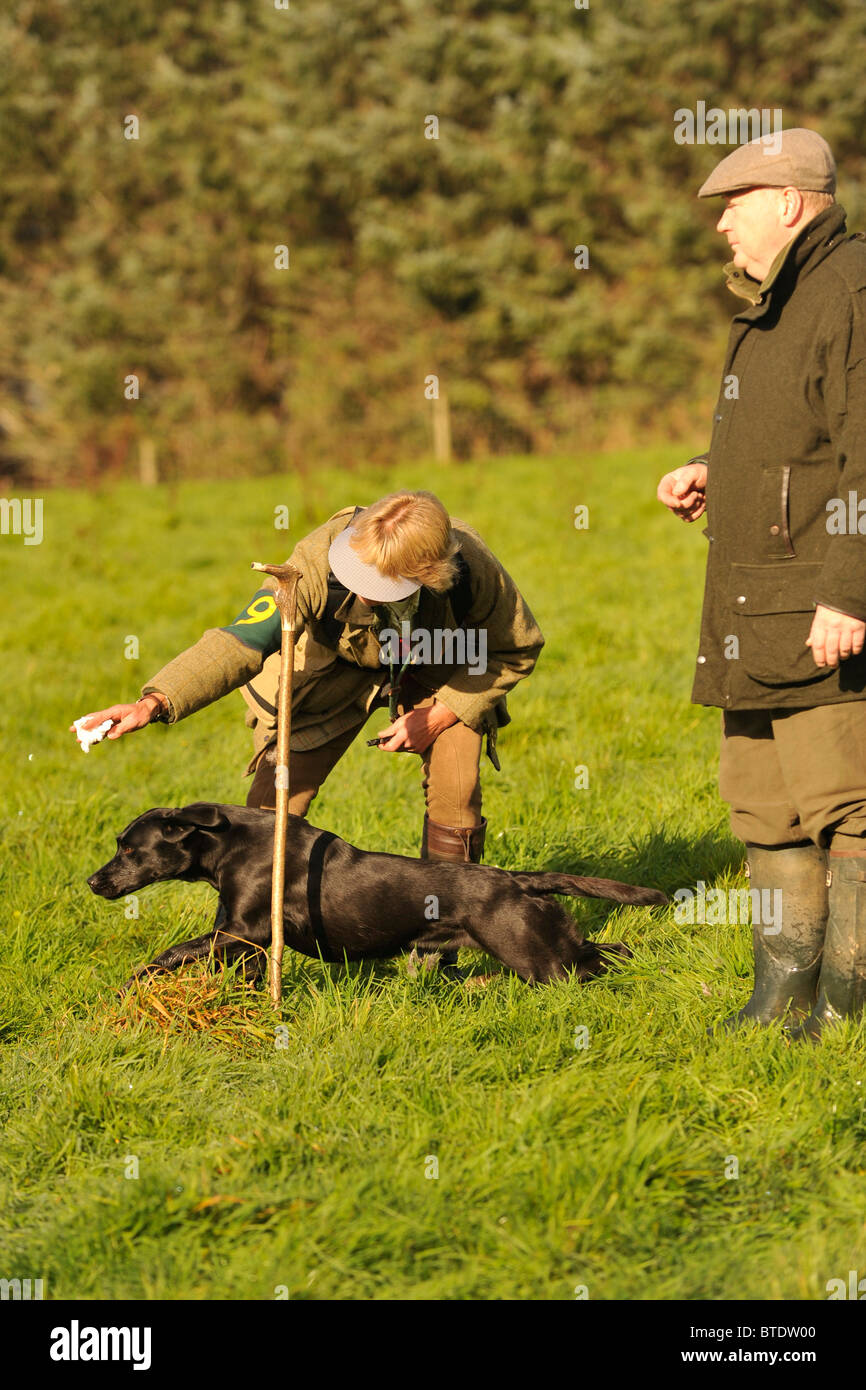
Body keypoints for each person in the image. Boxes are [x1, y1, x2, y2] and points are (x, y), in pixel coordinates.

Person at [74, 490, 544, 977]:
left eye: (378, 585)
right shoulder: (317, 561)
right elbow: (241, 641)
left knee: (457, 790)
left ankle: (438, 950)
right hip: (335, 671)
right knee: (269, 804)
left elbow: (517, 648)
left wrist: (442, 714)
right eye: (358, 576)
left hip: (445, 672)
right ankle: (245, 961)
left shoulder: (474, 571)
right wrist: (153, 702)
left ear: (430, 575)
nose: (362, 592)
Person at [657, 128, 866, 1038]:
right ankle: (781, 997)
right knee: (764, 806)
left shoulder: (850, 291)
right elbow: (796, 442)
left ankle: (849, 1007)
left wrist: (851, 592)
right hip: (751, 607)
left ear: (787, 201)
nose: (721, 227)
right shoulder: (776, 300)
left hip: (821, 607)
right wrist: (713, 469)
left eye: (733, 206)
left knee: (848, 808)